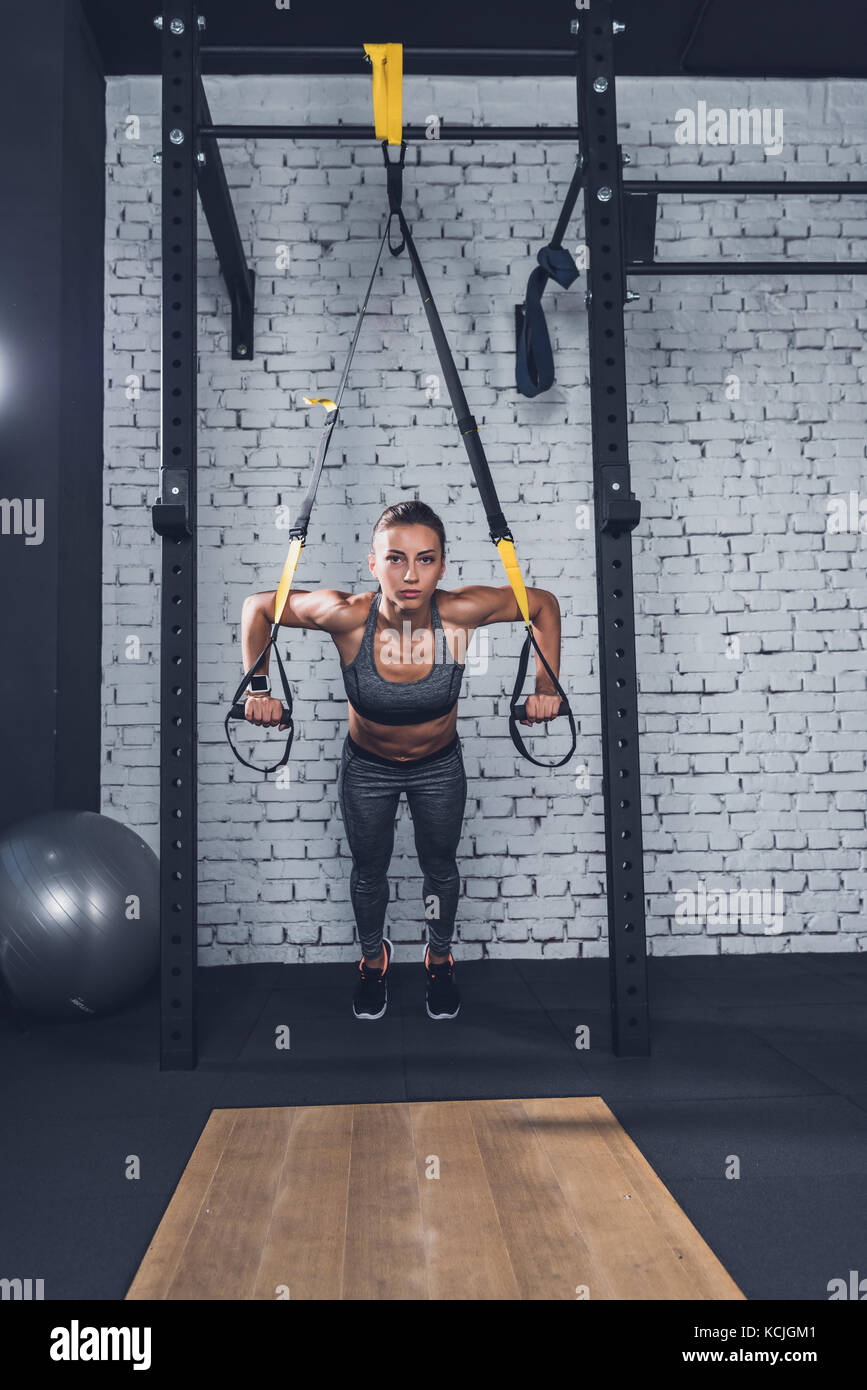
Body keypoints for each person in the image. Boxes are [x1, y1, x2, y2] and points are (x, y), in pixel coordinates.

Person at [240, 499, 563, 1022]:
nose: (411, 575)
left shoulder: (460, 612)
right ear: (373, 564)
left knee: (440, 868)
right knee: (369, 871)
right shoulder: (346, 617)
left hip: (439, 766)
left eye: (426, 559)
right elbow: (259, 607)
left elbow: (543, 605)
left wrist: (546, 686)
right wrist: (258, 689)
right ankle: (373, 962)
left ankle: (439, 958)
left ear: (442, 564)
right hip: (367, 768)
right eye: (396, 559)